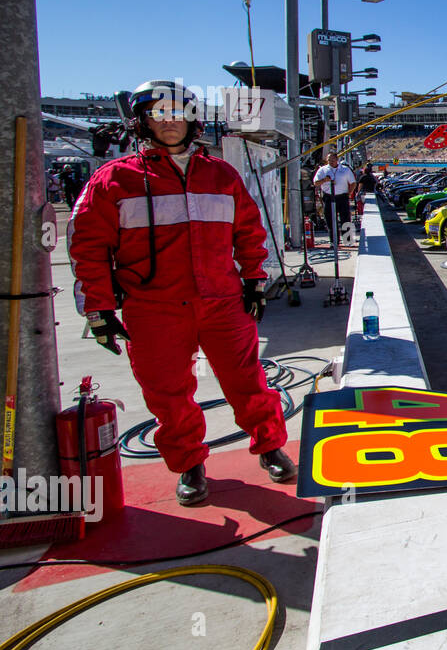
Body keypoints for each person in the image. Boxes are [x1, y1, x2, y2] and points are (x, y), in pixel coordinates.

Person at [66, 79, 295, 506]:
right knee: (168, 393)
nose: (169, 121)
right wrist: (97, 309)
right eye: (158, 113)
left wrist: (254, 279)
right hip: (153, 309)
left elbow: (249, 231)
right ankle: (189, 465)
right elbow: (87, 247)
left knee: (249, 381)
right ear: (142, 121)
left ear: (192, 118)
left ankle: (269, 447)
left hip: (223, 302)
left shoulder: (221, 175)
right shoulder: (114, 179)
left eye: (177, 112)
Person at [313, 151, 356, 249]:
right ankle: (334, 241)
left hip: (342, 197)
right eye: (329, 160)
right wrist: (325, 180)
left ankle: (348, 240)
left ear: (337, 160)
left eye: (333, 160)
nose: (331, 162)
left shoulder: (345, 170)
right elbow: (315, 182)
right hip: (328, 196)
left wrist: (348, 193)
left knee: (346, 219)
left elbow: (353, 182)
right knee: (330, 220)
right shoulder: (323, 170)